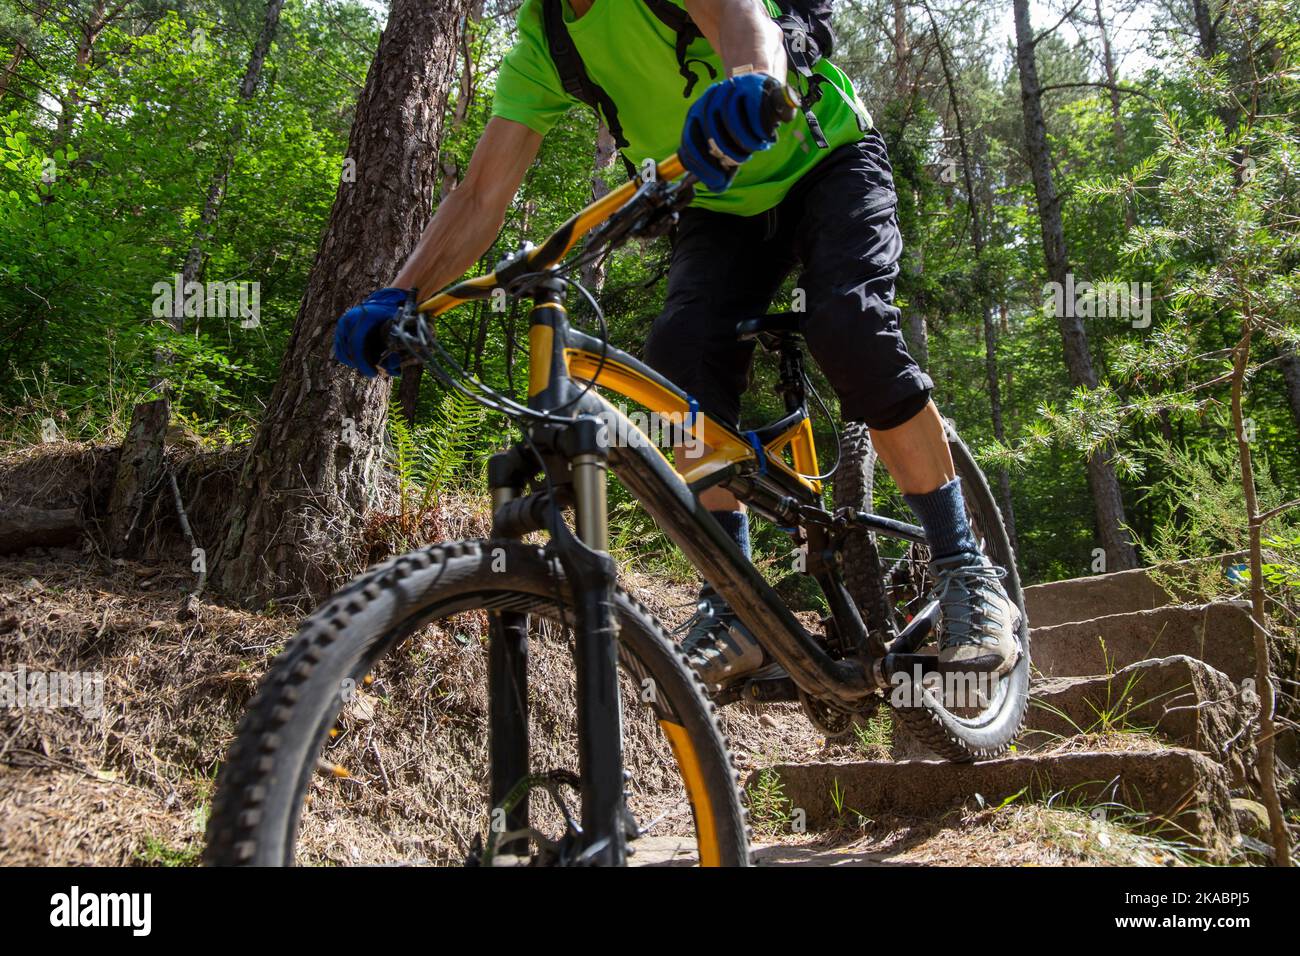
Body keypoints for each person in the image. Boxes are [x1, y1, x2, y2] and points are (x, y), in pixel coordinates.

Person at [333, 0, 1019, 687]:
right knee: (678, 370)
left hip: (828, 160)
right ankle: (736, 602)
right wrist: (404, 292)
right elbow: (483, 194)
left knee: (850, 327)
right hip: (719, 206)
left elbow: (743, 17)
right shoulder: (546, 45)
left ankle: (965, 567)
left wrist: (752, 80)